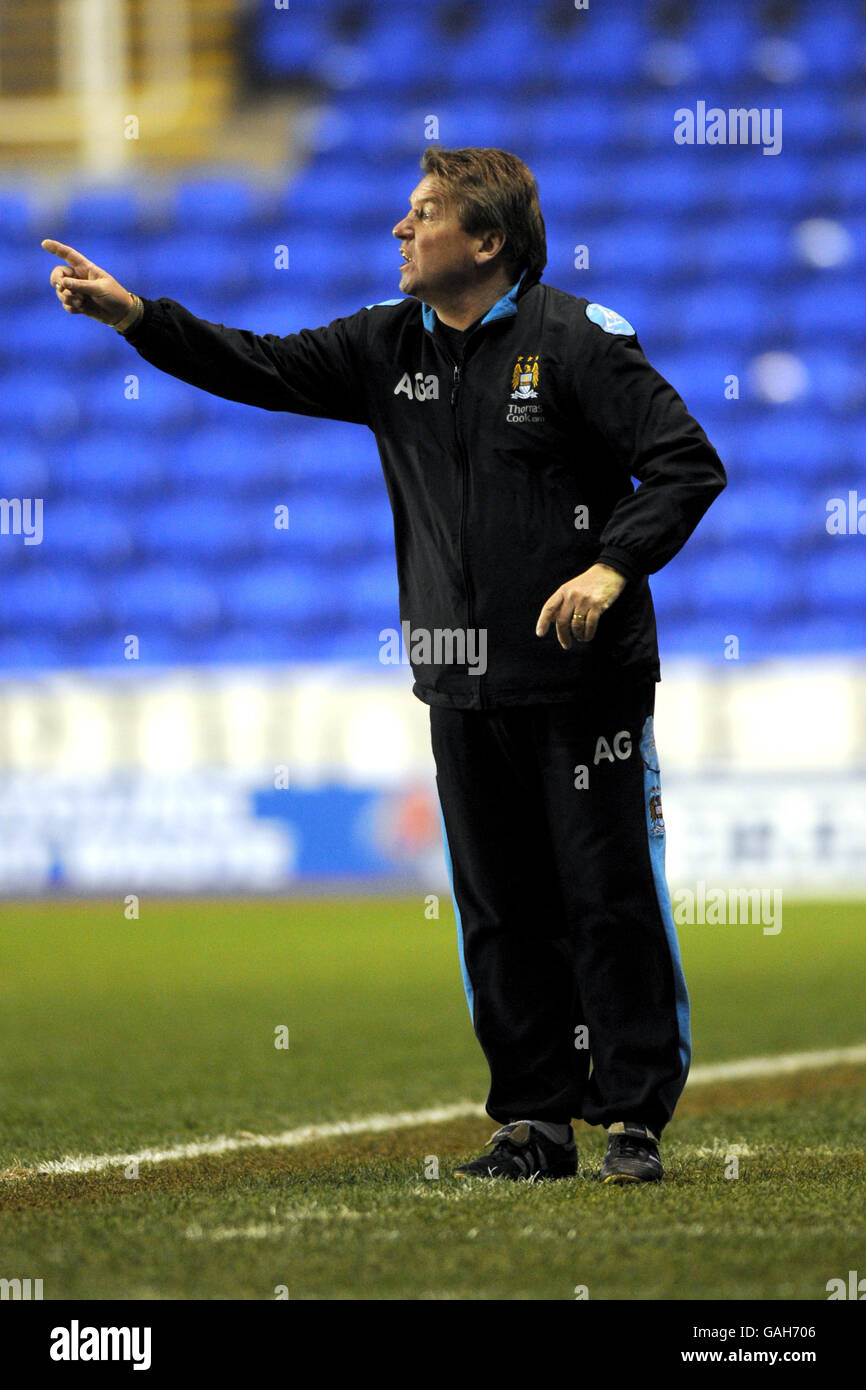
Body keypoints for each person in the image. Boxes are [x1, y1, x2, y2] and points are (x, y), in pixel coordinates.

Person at [43, 146, 726, 1185]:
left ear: (487, 241)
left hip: (587, 687)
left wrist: (608, 567)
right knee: (498, 912)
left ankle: (631, 1119)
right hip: (457, 682)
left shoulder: (578, 342)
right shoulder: (381, 344)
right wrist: (140, 318)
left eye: (423, 214)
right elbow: (255, 363)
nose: (399, 232)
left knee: (607, 897)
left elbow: (685, 463)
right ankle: (534, 1123)